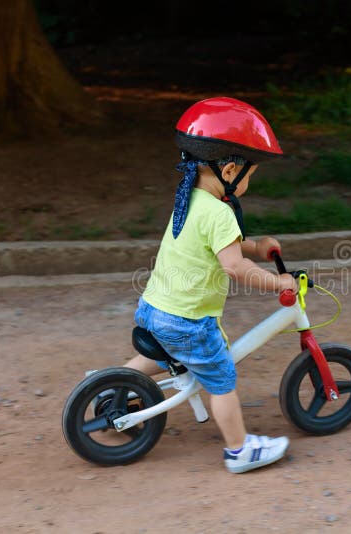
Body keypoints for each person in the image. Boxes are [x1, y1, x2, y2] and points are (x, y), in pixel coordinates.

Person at [125, 96, 298, 474]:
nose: (248, 182)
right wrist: (278, 283)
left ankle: (116, 391)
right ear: (230, 169)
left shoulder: (189, 199)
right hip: (187, 321)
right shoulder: (220, 213)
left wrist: (257, 246)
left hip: (155, 308)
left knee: (161, 355)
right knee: (221, 379)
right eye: (250, 174)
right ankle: (239, 450)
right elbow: (234, 266)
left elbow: (220, 245)